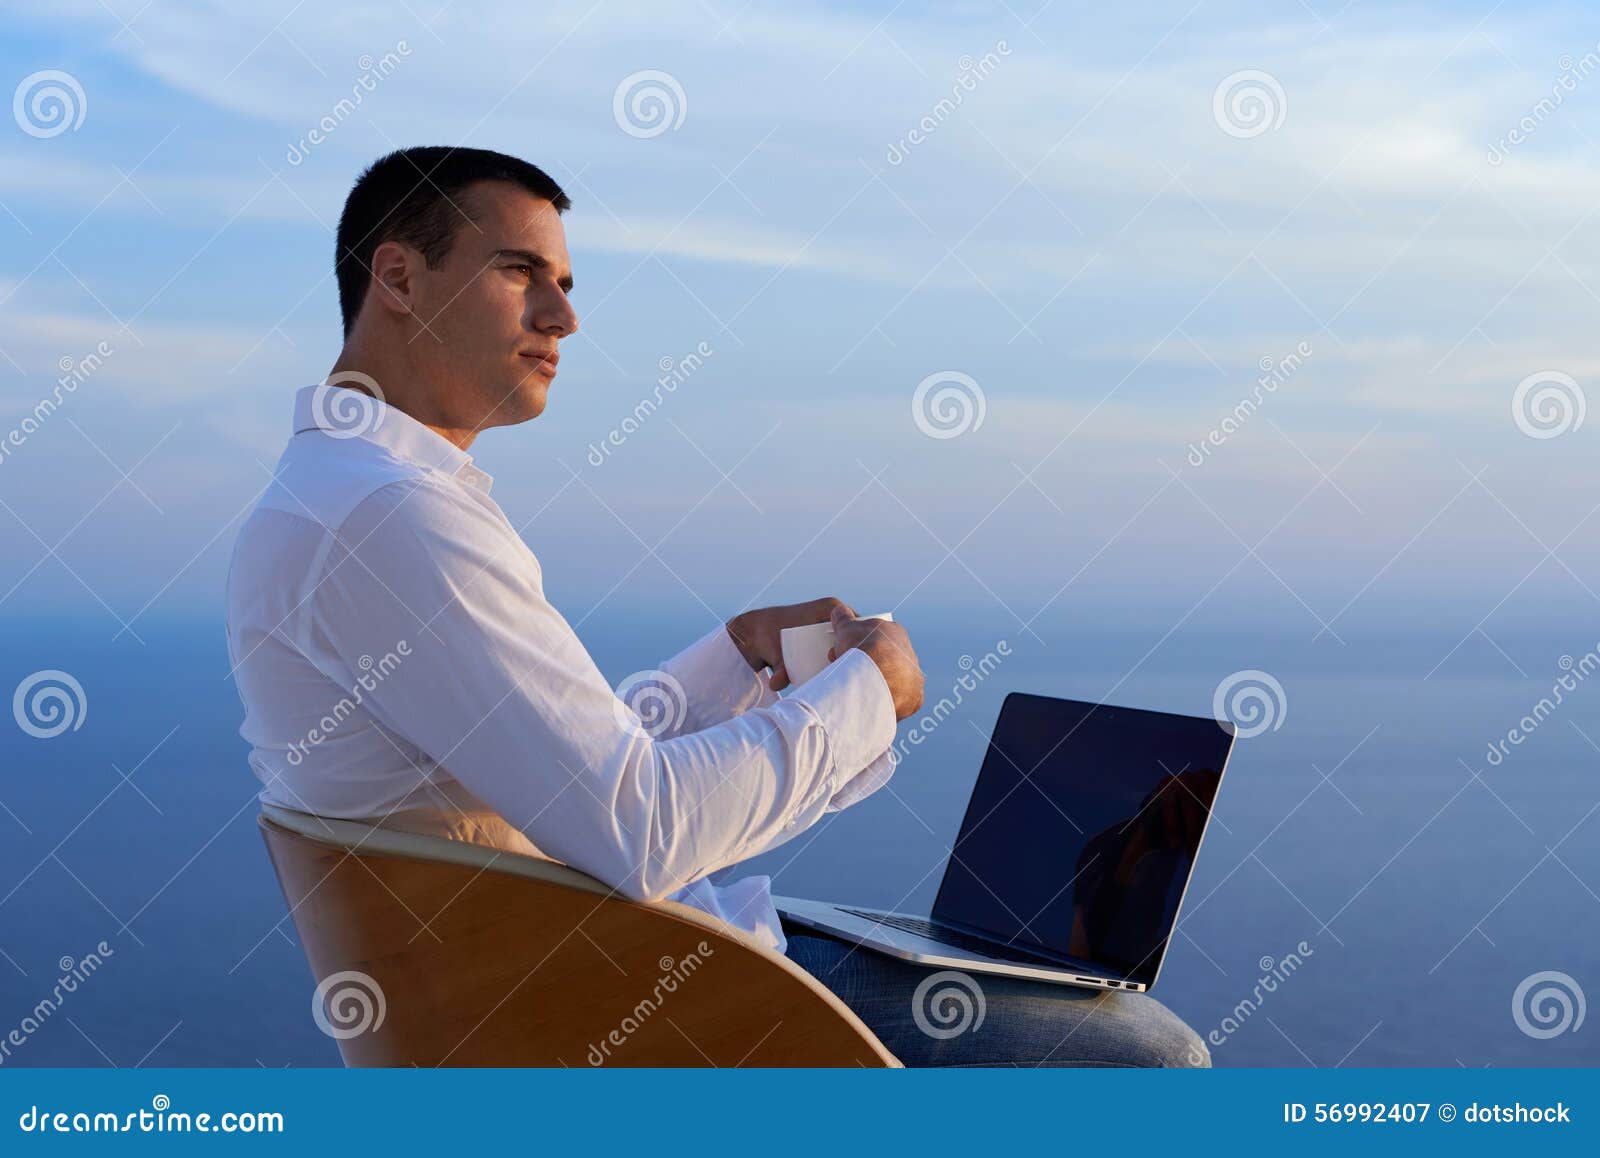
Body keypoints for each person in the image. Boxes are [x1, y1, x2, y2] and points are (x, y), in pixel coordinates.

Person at [224, 145, 1207, 1068]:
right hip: (629, 1017)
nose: (562, 320)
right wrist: (871, 685)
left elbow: (549, 772)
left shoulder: (342, 496)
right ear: (398, 279)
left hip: (585, 981)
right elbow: (639, 830)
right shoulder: (393, 518)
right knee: (1147, 1055)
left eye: (565, 285)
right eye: (521, 273)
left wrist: (735, 658)